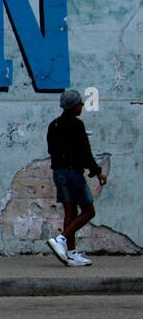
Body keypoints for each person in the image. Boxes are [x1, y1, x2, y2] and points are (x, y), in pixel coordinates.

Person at [46, 90, 106, 266]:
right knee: (89, 211)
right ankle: (61, 239)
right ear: (74, 106)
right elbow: (85, 153)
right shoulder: (77, 125)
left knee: (70, 213)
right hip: (73, 174)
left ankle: (71, 254)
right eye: (80, 103)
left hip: (59, 173)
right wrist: (97, 172)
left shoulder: (53, 125)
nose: (82, 106)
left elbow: (52, 150)